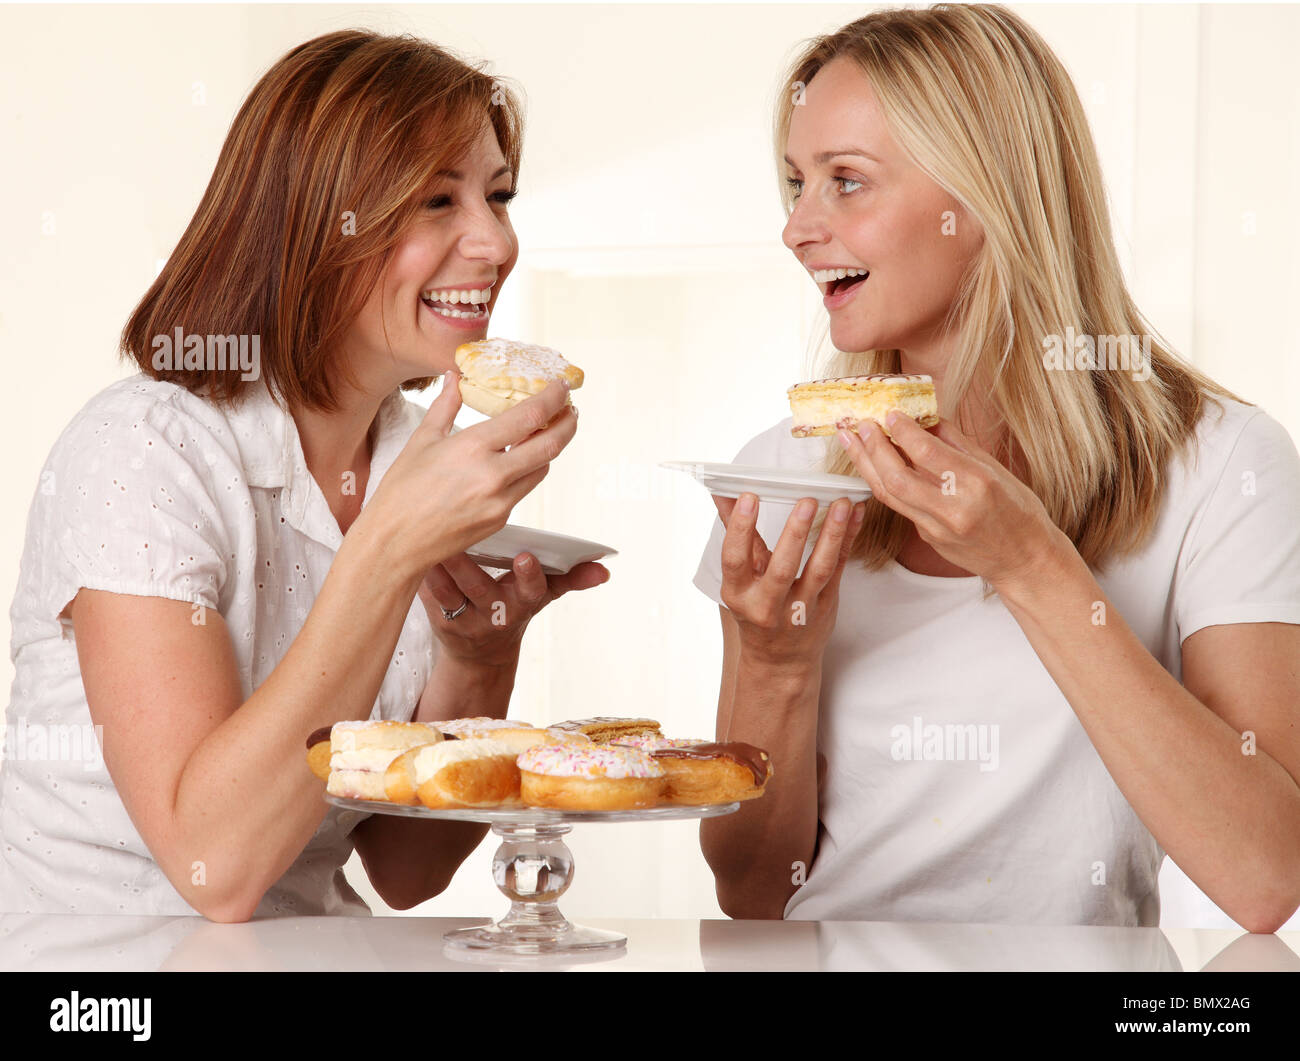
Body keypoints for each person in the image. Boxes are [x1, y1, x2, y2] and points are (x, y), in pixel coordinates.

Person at [695, 5, 1300, 931]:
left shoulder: (1222, 465)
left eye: (845, 182)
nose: (797, 229)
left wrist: (1032, 565)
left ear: (985, 198)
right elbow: (752, 894)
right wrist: (775, 667)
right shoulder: (785, 474)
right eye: (795, 185)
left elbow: (1265, 875)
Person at [0, 30, 606, 922]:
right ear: (315, 223)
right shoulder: (142, 451)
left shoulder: (409, 461)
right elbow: (219, 864)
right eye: (438, 200)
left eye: (498, 195)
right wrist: (390, 550)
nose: (496, 241)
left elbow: (404, 867)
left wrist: (478, 659)